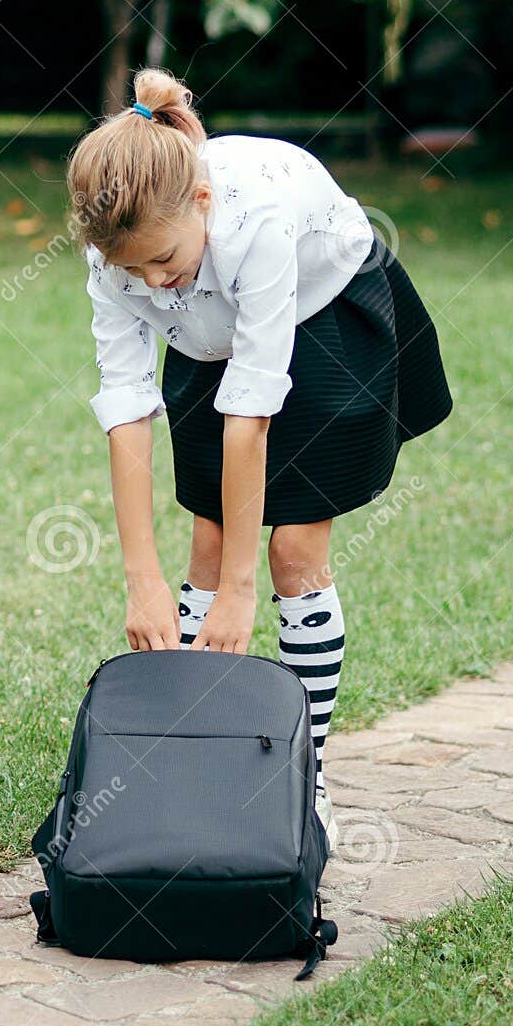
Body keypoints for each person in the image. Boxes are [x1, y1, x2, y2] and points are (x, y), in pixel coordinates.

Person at [66, 67, 452, 845]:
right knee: (206, 547)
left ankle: (302, 779)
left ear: (202, 202)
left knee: (292, 551)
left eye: (161, 258)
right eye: (133, 271)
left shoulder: (257, 222)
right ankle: (195, 766)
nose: (151, 283)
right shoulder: (119, 254)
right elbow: (128, 409)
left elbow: (250, 417)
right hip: (210, 337)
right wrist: (142, 582)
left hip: (327, 316)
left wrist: (243, 594)